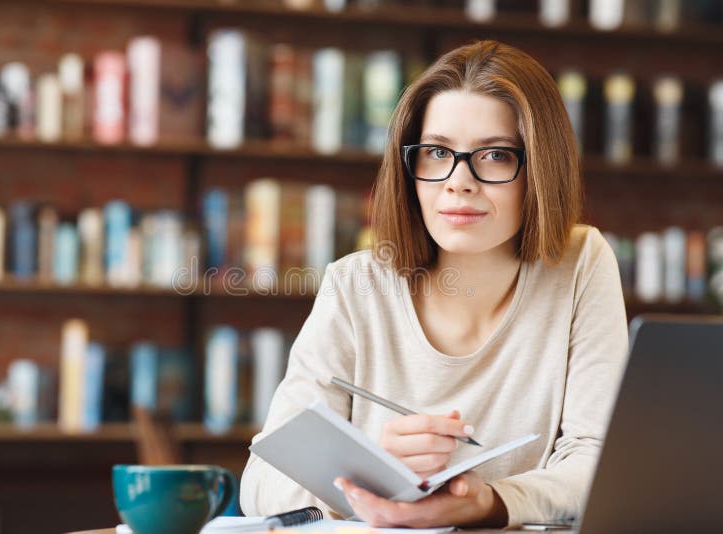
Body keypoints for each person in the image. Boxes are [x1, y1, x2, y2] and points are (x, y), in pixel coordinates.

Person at [239, 40, 628, 529]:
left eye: (495, 155)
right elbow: (261, 482)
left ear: (541, 168)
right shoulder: (354, 285)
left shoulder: (581, 263)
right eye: (437, 152)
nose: (458, 182)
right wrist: (371, 471)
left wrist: (489, 502)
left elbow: (599, 461)